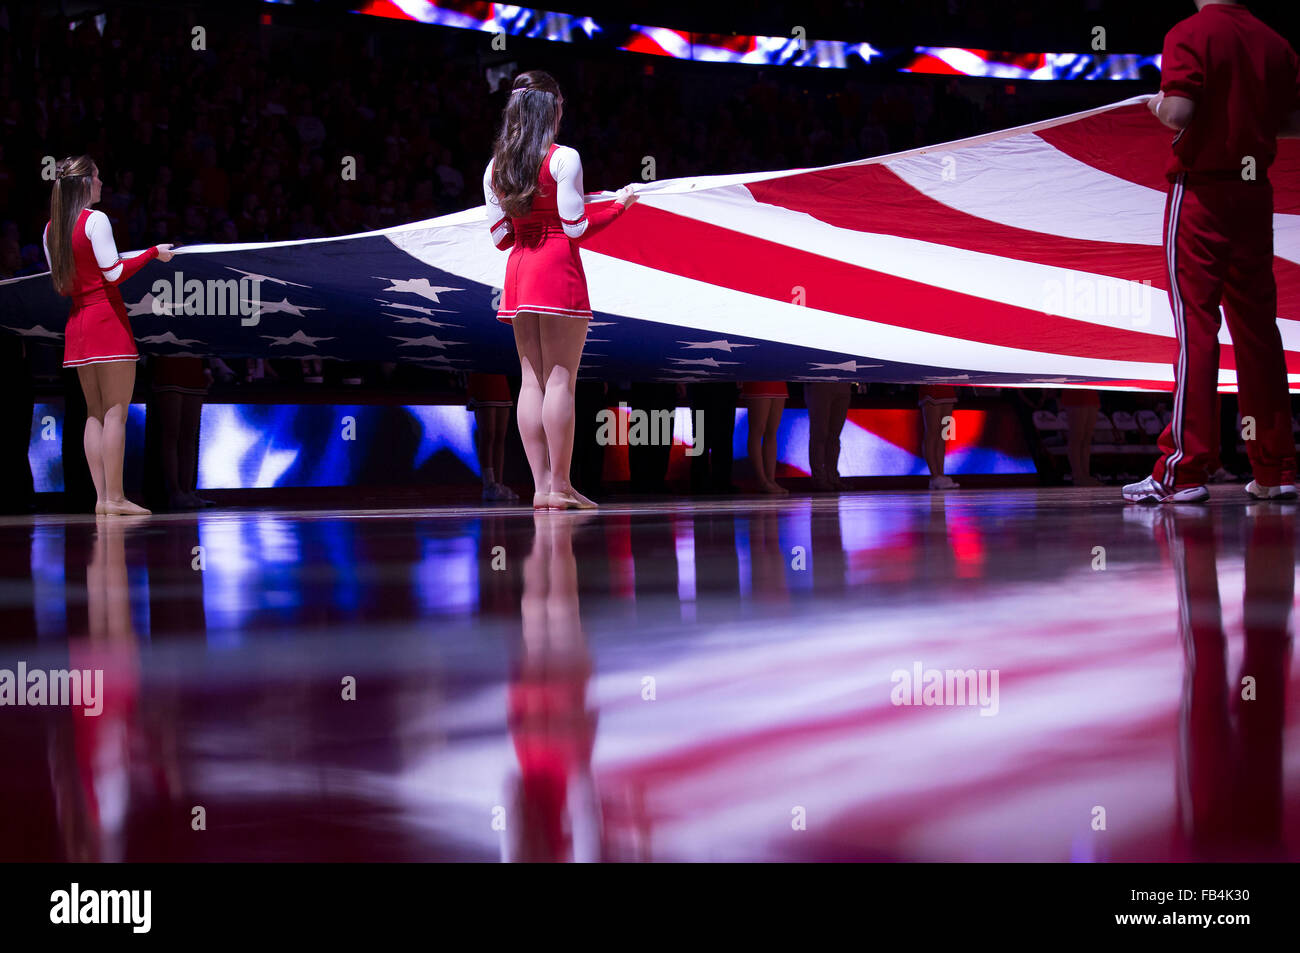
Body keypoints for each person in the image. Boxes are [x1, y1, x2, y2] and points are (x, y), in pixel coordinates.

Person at [1123, 0, 1300, 504]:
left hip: (1202, 191)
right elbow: (1294, 121)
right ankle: (1276, 469)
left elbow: (1179, 110)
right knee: (1259, 332)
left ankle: (1184, 471)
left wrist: (1152, 105)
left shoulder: (1191, 32)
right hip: (1253, 191)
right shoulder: (1275, 40)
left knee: (1197, 330)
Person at [483, 71, 638, 510]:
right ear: (550, 109)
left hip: (519, 272)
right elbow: (576, 227)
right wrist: (620, 206)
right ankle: (562, 486)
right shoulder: (563, 157)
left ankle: (540, 487)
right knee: (561, 379)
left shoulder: (496, 167)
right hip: (555, 268)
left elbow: (501, 239)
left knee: (530, 380)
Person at [44, 155, 175, 516]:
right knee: (116, 413)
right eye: (98, 177)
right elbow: (114, 272)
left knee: (94, 413)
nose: (102, 183)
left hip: (78, 325)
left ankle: (103, 499)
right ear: (85, 182)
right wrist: (153, 253)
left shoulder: (51, 229)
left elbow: (61, 284)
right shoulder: (96, 220)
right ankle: (114, 498)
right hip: (106, 321)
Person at [467, 372, 519, 502]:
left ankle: (498, 484)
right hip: (482, 375)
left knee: (500, 435)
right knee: (488, 434)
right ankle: (488, 485)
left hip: (500, 376)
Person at [805, 381, 852, 491]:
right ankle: (819, 479)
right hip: (819, 381)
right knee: (820, 433)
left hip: (843, 381)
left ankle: (833, 478)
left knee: (834, 436)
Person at [741, 381, 787, 494]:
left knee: (772, 431)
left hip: (778, 379)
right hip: (758, 378)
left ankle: (770, 480)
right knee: (758, 430)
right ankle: (762, 480)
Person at [918, 384, 959, 490]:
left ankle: (941, 475)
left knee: (943, 434)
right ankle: (934, 476)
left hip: (947, 385)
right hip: (931, 385)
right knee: (932, 432)